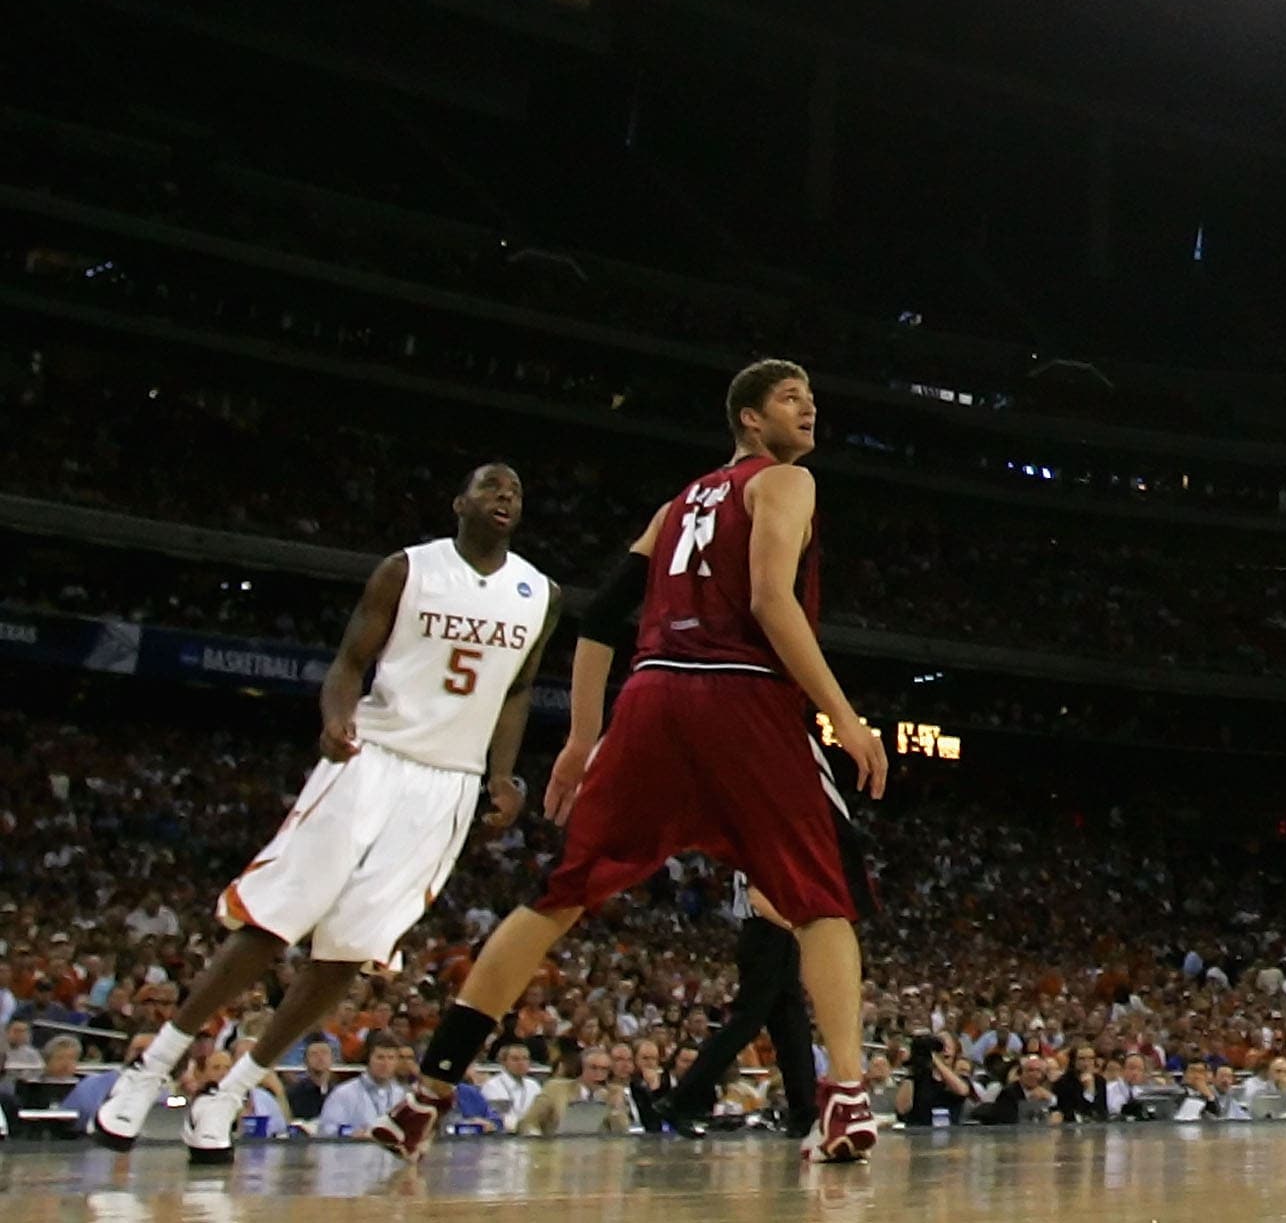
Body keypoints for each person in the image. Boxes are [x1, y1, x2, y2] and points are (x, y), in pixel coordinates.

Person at [374, 362, 890, 1164]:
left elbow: (604, 611)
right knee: (827, 895)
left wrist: (584, 735)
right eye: (792, 397)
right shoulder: (785, 482)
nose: (810, 407)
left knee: (559, 893)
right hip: (738, 695)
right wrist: (843, 715)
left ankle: (428, 1090)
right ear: (750, 420)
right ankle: (848, 1099)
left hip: (650, 700)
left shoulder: (677, 503)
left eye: (812, 396)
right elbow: (768, 600)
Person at [93, 465, 555, 1160]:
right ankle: (153, 1062)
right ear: (461, 502)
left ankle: (232, 1090)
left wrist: (503, 774)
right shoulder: (406, 570)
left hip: (449, 784)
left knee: (351, 950)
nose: (505, 497)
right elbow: (347, 661)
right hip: (372, 759)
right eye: (491, 487)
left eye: (515, 492)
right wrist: (336, 718)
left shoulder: (539, 593)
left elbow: (517, 691)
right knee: (275, 917)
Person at [652, 880, 814, 1138]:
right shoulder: (762, 841)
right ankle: (680, 1100)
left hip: (778, 933)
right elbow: (757, 896)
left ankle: (805, 1113)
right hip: (767, 930)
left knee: (791, 1025)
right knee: (747, 1021)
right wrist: (799, 929)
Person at [317, 1036, 412, 1137]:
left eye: (391, 1058)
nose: (386, 1063)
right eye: (380, 1057)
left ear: (397, 1062)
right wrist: (351, 1133)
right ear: (369, 1059)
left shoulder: (403, 1096)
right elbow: (326, 1128)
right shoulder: (344, 1093)